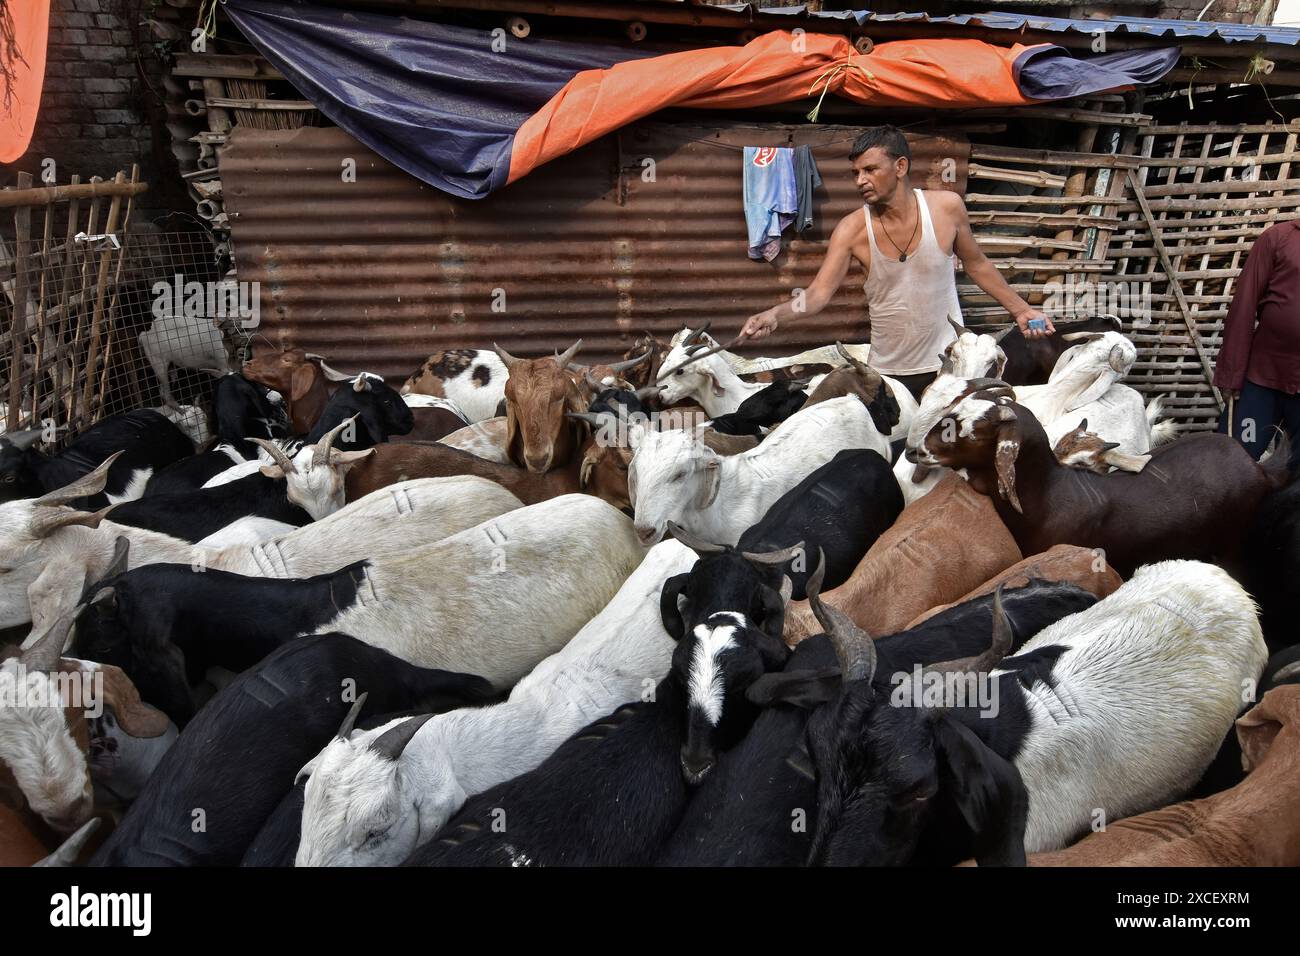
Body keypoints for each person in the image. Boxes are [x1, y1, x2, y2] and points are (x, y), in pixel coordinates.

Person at [738, 126, 1053, 402]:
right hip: (888, 374)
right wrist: (775, 315)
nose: (860, 180)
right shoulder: (851, 229)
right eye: (856, 173)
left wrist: (1022, 310)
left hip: (950, 365)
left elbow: (977, 264)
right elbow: (818, 294)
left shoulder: (946, 208)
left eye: (870, 170)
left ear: (900, 166)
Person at [1213, 218, 1300, 470]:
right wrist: (1231, 374)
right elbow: (1244, 305)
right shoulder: (1277, 237)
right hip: (1262, 376)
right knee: (1233, 461)